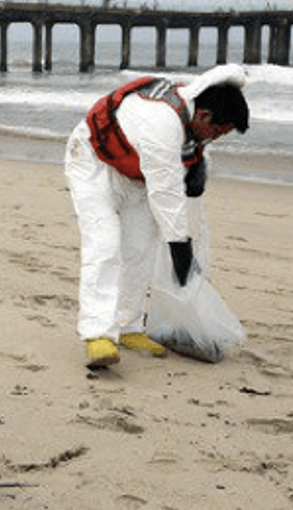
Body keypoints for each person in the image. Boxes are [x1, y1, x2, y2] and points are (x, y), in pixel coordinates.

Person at [64, 64, 249, 369]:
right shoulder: (160, 121)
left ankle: (129, 326)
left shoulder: (192, 119)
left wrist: (199, 170)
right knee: (105, 245)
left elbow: (185, 160)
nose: (214, 138)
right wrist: (181, 249)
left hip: (134, 177)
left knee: (140, 249)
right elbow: (165, 192)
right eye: (218, 131)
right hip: (91, 165)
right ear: (203, 115)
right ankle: (98, 335)